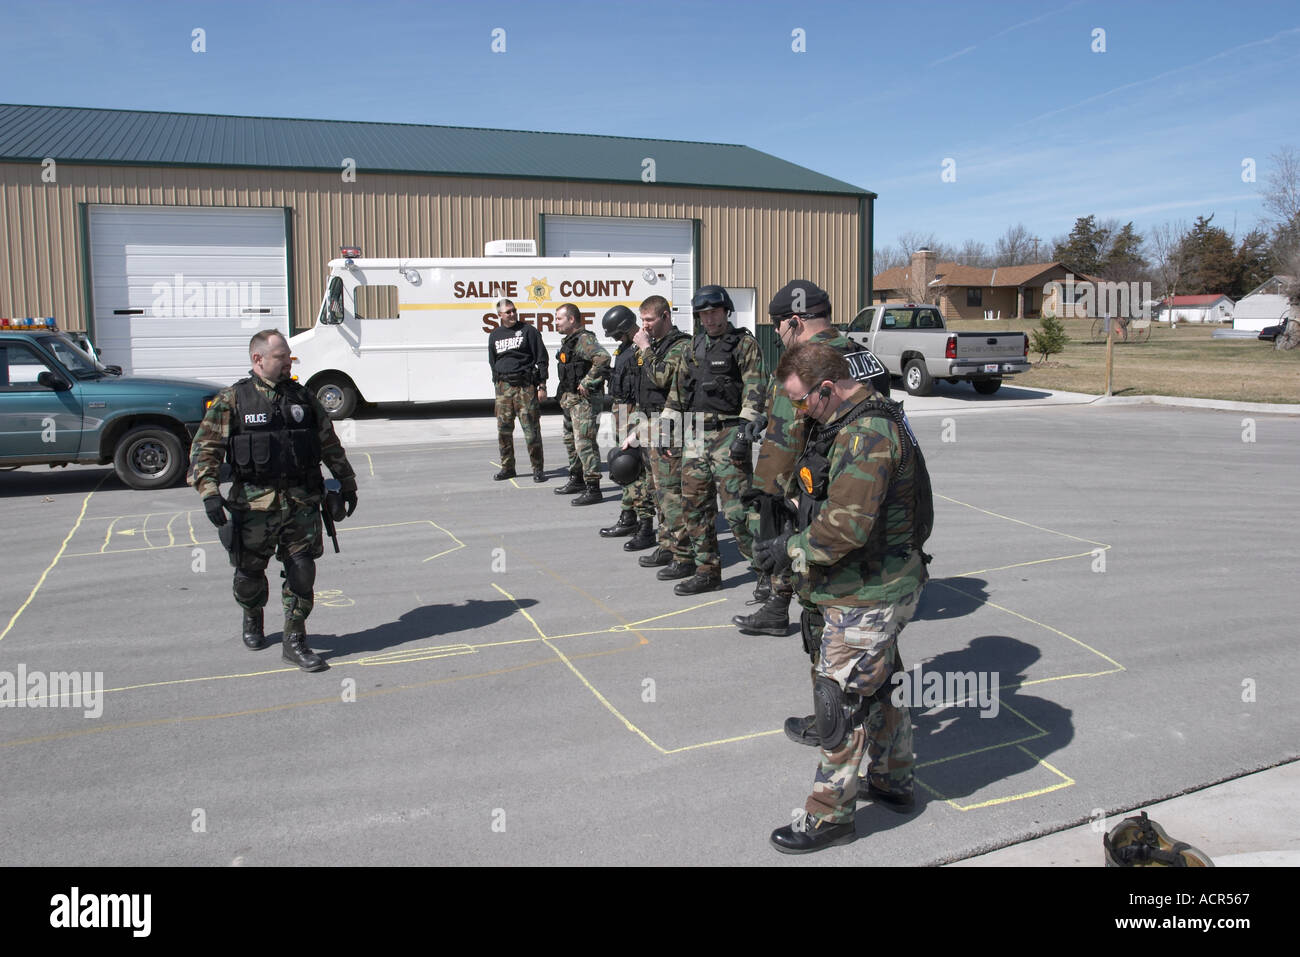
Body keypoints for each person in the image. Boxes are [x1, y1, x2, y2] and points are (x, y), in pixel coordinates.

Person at [754, 342, 927, 853]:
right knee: (882, 686)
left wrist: (789, 550)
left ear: (829, 388)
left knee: (840, 701)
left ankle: (830, 816)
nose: (798, 411)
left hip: (868, 589)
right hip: (876, 582)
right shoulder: (848, 419)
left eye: (802, 401)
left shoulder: (867, 434)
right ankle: (894, 778)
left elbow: (845, 528)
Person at [190, 330, 358, 673]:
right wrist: (210, 494)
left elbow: (328, 442)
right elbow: (204, 451)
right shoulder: (233, 399)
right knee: (249, 575)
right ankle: (253, 616)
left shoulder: (303, 397)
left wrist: (347, 481)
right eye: (282, 357)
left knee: (302, 571)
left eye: (287, 357)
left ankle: (294, 641)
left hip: (301, 503)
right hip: (253, 507)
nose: (288, 362)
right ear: (259, 359)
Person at [735, 279, 889, 638]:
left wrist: (766, 499)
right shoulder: (865, 357)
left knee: (799, 540)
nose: (777, 333)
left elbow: (784, 443)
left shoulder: (804, 366)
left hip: (814, 482)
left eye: (777, 324)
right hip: (863, 477)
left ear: (795, 322)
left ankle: (789, 610)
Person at [660, 285, 766, 595]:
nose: (709, 319)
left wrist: (744, 434)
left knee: (738, 512)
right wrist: (667, 427)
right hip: (695, 434)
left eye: (714, 312)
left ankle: (764, 571)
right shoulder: (693, 348)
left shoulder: (743, 344)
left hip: (728, 432)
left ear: (726, 311)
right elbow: (678, 391)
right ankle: (707, 570)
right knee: (695, 506)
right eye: (703, 315)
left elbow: (755, 389)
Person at [629, 295, 694, 566]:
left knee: (671, 494)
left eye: (650, 320)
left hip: (673, 427)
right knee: (658, 492)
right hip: (651, 424)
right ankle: (667, 545)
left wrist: (645, 348)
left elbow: (662, 377)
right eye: (642, 320)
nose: (644, 326)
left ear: (666, 317)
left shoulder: (681, 346)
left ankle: (684, 554)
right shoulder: (656, 346)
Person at [599, 305, 655, 542]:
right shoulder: (625, 350)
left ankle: (645, 525)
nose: (614, 339)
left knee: (634, 469)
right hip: (621, 412)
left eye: (616, 334)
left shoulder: (640, 350)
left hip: (634, 414)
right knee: (622, 468)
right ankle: (628, 515)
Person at [553, 302, 611, 506]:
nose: (556, 322)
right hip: (570, 400)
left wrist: (587, 381)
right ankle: (576, 478)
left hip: (585, 402)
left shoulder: (584, 339)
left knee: (584, 443)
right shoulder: (570, 341)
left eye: (559, 318)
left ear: (571, 319)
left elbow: (603, 358)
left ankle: (593, 488)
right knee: (570, 441)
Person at [488, 298, 548, 482]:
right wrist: (498, 386)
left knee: (531, 431)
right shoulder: (495, 335)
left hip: (525, 388)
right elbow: (493, 362)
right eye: (508, 312)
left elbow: (542, 359)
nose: (512, 314)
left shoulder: (528, 331)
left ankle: (537, 469)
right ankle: (507, 467)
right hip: (503, 388)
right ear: (500, 315)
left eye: (514, 310)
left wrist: (542, 386)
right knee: (504, 430)